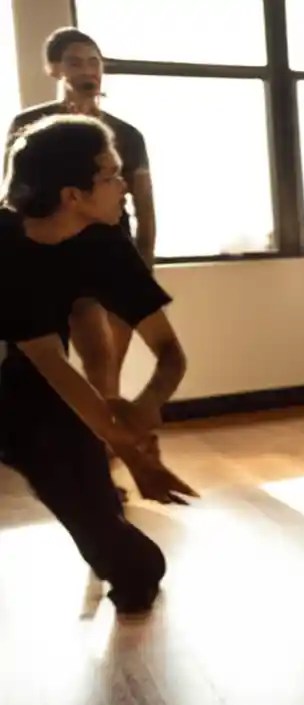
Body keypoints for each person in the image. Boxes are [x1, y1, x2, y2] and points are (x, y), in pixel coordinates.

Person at [0, 115, 197, 616]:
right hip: (19, 384)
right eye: (110, 175)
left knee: (139, 570)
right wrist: (135, 457)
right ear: (73, 195)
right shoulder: (6, 247)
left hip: (27, 379)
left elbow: (170, 354)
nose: (123, 184)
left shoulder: (104, 242)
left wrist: (145, 408)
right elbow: (56, 369)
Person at [4, 27, 157, 404]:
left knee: (105, 364)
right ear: (55, 69)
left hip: (107, 256)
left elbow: (146, 208)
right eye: (75, 62)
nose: (87, 70)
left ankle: (103, 449)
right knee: (42, 364)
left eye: (94, 62)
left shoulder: (128, 134)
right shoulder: (30, 125)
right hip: (47, 256)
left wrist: (143, 269)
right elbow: (12, 195)